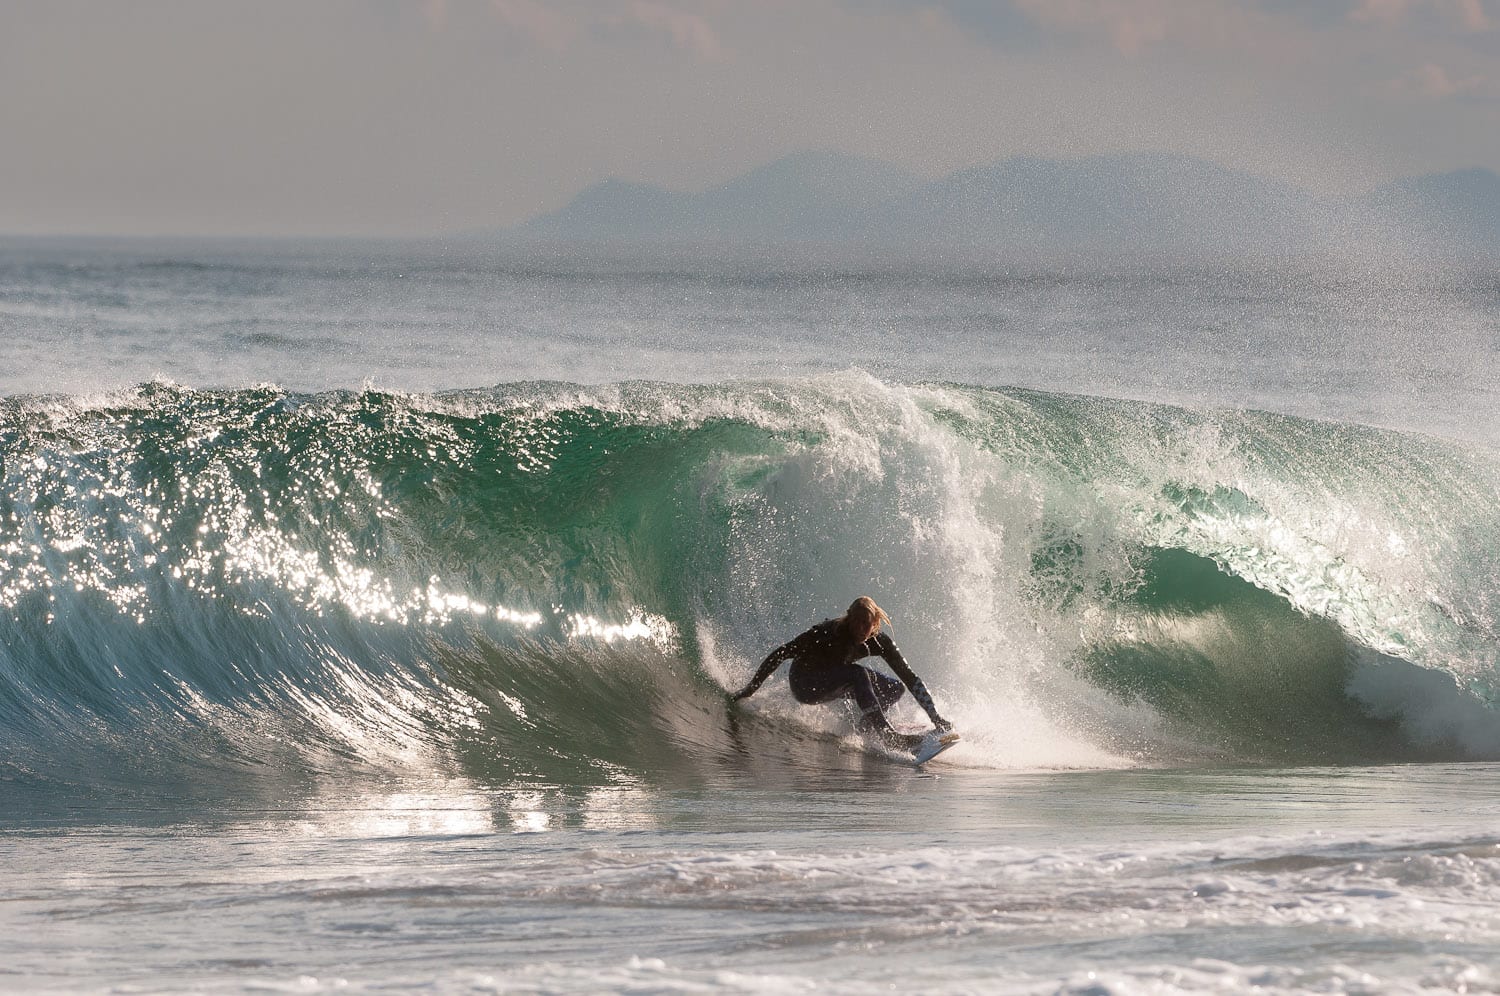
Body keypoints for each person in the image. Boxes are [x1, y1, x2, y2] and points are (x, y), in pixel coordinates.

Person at [731, 596, 952, 749]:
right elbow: (781, 653)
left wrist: (935, 717)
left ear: (875, 623)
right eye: (854, 622)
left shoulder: (879, 642)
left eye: (865, 624)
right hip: (805, 683)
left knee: (895, 688)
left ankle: (868, 726)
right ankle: (887, 735)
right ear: (848, 617)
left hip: (836, 679)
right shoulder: (828, 633)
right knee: (857, 674)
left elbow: (910, 677)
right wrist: (752, 687)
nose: (859, 629)